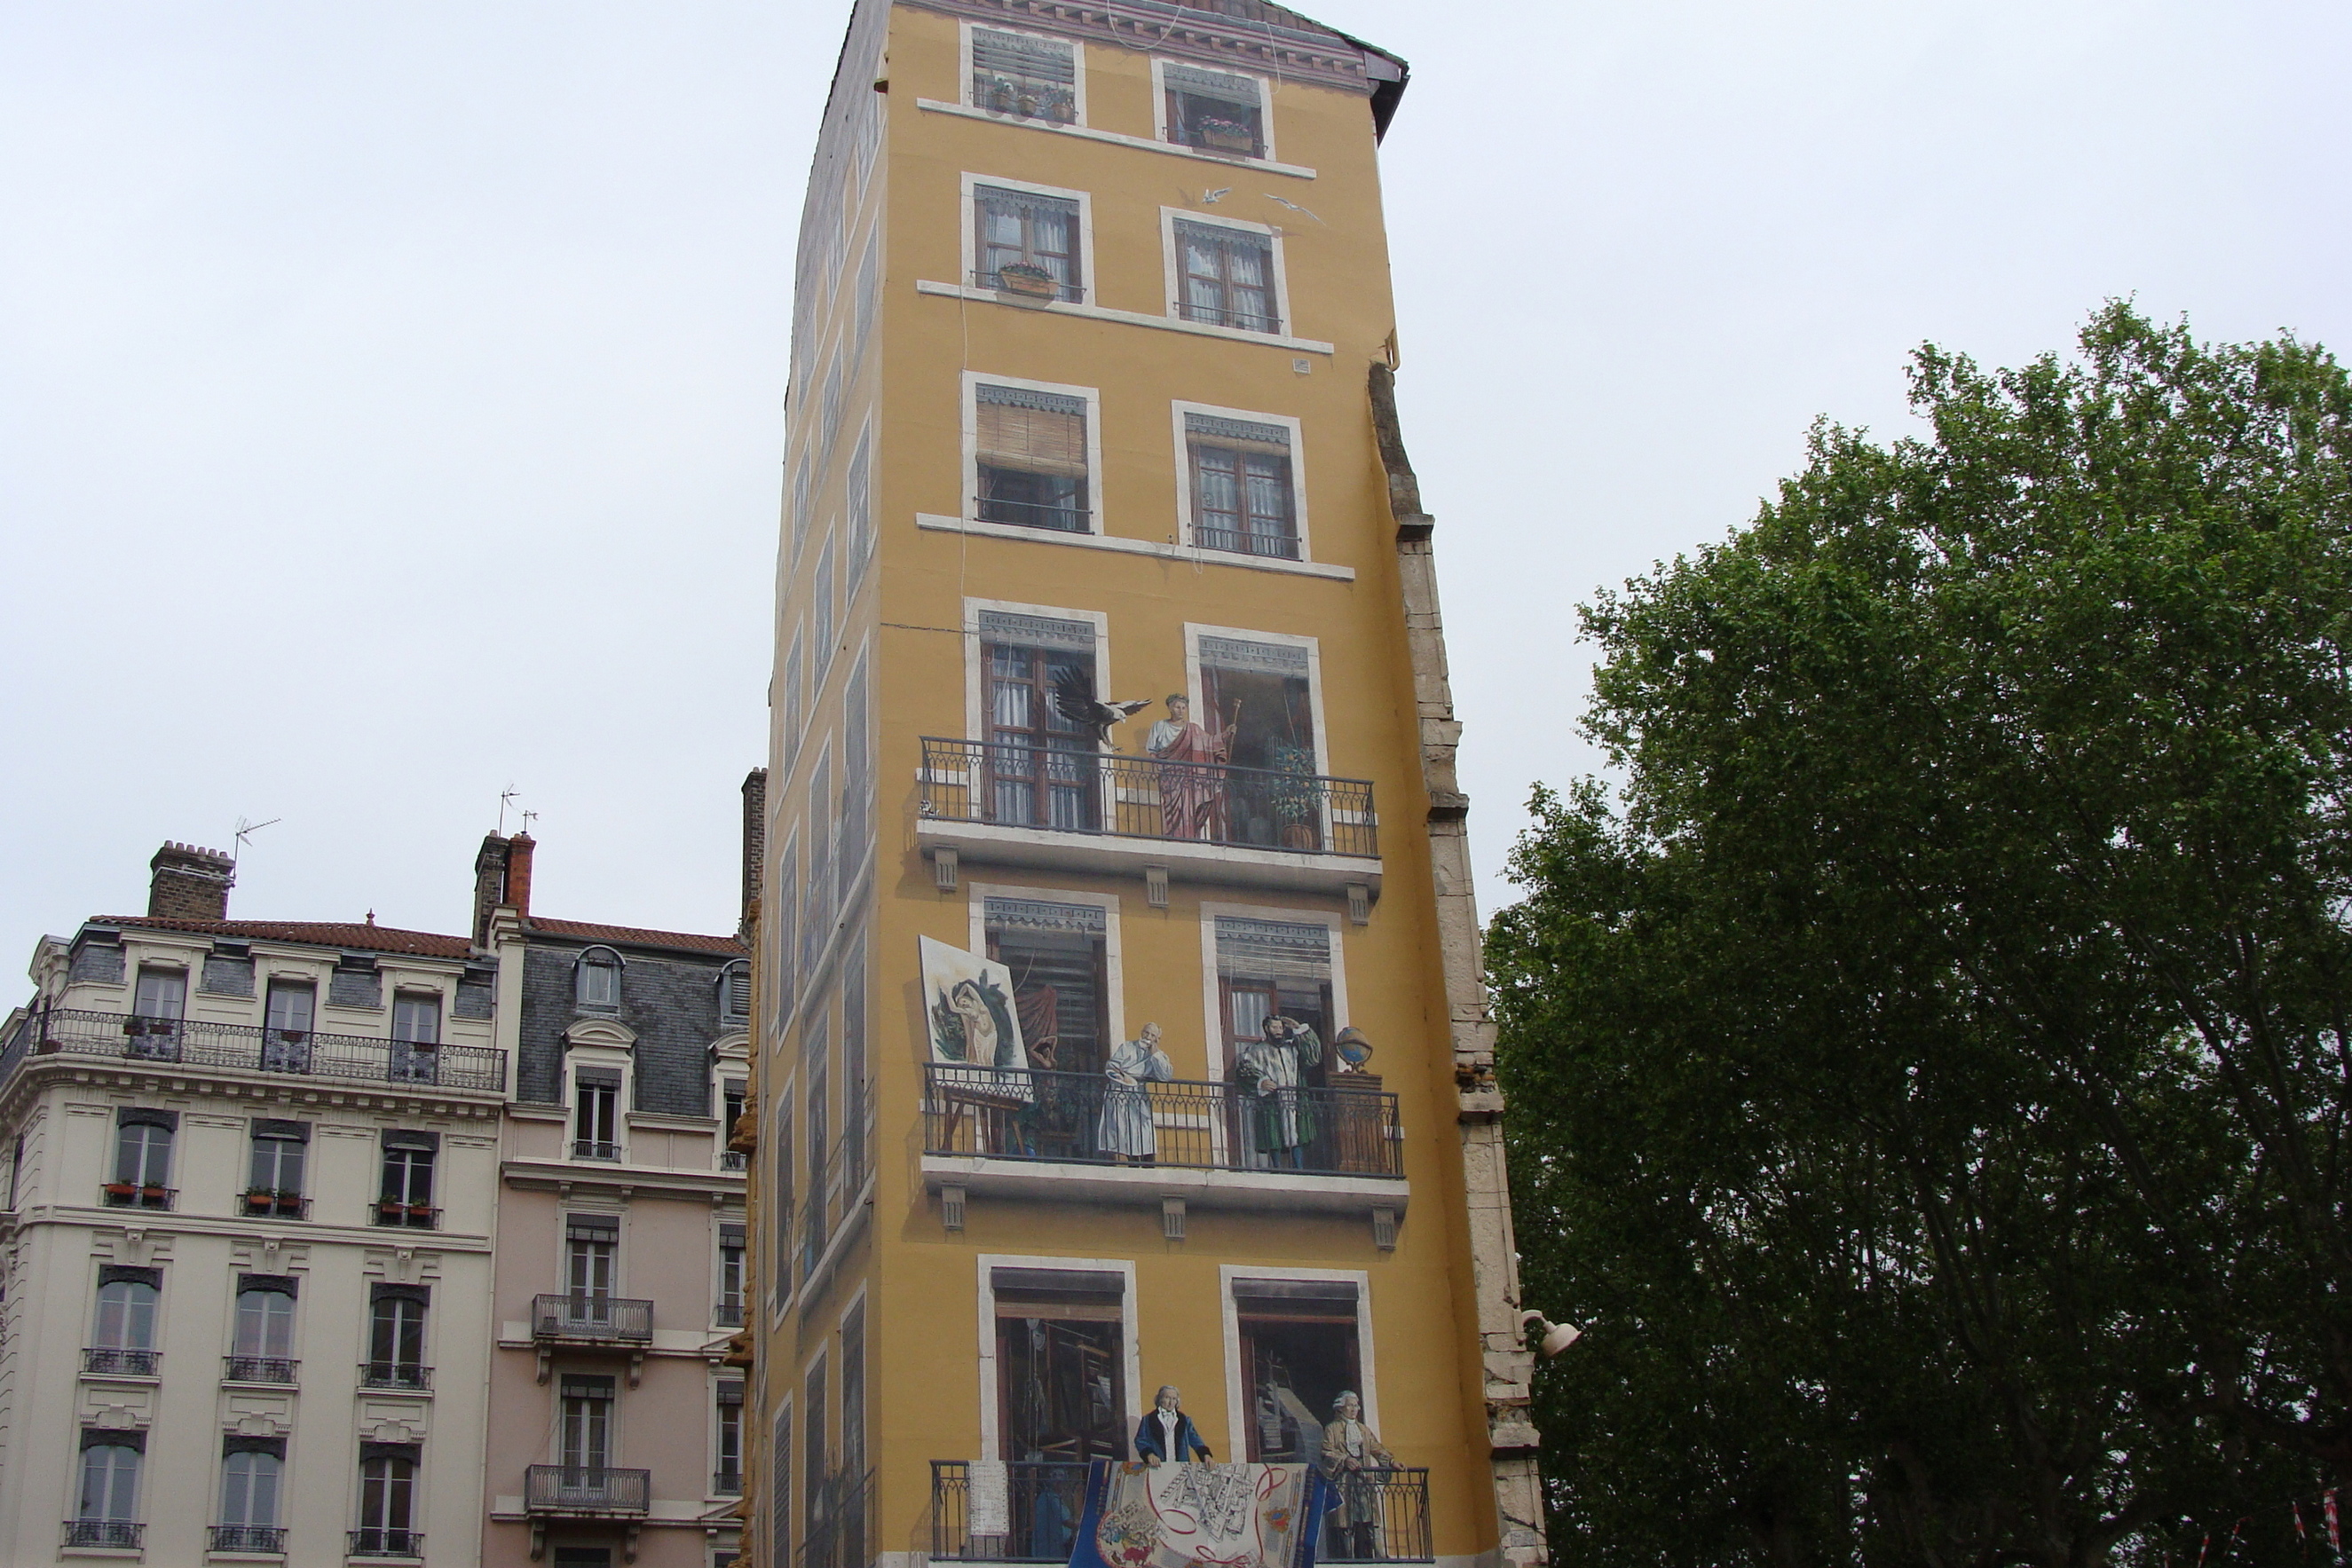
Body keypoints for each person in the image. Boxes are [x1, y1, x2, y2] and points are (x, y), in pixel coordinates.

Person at [1235, 1014, 1322, 1168]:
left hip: (1295, 1099)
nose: (1279, 1031)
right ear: (1267, 1029)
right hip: (1272, 1100)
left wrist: (1298, 1028)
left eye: (1281, 1027)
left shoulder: (1293, 1048)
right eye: (1275, 1027)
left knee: (1298, 1135)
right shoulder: (1257, 1050)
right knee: (1273, 1134)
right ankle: (1276, 1166)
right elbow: (1244, 1070)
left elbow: (1313, 1057)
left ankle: (1299, 1167)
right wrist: (1261, 1082)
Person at [1320, 1391, 1394, 1560]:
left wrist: (1391, 1462)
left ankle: (1379, 1556)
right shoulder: (1332, 1429)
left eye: (1356, 1405)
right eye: (1350, 1405)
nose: (1354, 1409)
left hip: (1363, 1482)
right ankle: (1348, 1557)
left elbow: (1377, 1448)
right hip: (1344, 1482)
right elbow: (1326, 1452)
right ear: (1341, 1408)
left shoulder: (1363, 1430)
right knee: (1346, 1522)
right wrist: (1344, 1460)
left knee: (1369, 1520)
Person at [1145, 694, 1230, 840]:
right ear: (1170, 708)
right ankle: (1174, 835)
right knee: (1173, 807)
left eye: (1184, 708)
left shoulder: (1193, 729)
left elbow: (1209, 742)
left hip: (1189, 777)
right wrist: (1158, 766)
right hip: (1169, 774)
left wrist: (1225, 735)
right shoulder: (1160, 726)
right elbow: (1152, 750)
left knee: (1188, 807)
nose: (1181, 710)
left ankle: (1188, 836)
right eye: (1178, 707)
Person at [1098, 1023, 1172, 1163]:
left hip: (1138, 1096)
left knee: (1144, 1132)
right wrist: (1123, 1078)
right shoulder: (1127, 1047)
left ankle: (1147, 1164)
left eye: (1152, 1035)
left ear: (1157, 1039)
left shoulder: (1158, 1055)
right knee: (1123, 1131)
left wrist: (1155, 1053)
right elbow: (1111, 1067)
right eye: (1146, 1032)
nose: (1148, 1037)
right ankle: (1132, 1163)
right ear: (1141, 1032)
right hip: (1119, 1093)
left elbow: (1166, 1075)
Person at [1133, 1384, 1212, 1466]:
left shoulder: (1184, 1420)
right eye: (1167, 1398)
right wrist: (1149, 1454)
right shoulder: (1148, 1419)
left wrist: (1205, 1455)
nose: (1171, 1402)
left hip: (1180, 1466)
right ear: (1160, 1399)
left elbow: (1195, 1439)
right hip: (1158, 1466)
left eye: (1174, 1399)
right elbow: (1140, 1440)